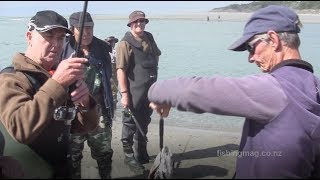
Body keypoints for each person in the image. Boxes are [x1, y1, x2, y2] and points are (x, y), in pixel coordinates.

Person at [147, 5, 320, 179]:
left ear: (273, 40)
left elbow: (196, 90)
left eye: (251, 48)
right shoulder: (315, 86)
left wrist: (157, 91)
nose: (250, 58)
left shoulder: (274, 89)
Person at [0, 10, 99, 178]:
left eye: (61, 38)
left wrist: (85, 104)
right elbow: (20, 129)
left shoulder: (56, 74)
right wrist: (58, 83)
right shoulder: (11, 78)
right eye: (49, 35)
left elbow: (85, 127)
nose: (56, 44)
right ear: (29, 37)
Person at [61, 11, 114, 179]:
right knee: (72, 159)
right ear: (72, 29)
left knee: (104, 155)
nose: (86, 32)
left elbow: (110, 80)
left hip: (99, 114)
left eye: (90, 28)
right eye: (81, 29)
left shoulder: (104, 48)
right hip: (72, 118)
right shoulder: (62, 49)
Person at [116, 10, 161, 174]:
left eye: (142, 21)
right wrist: (124, 94)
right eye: (136, 22)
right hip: (132, 92)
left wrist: (154, 77)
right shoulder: (124, 43)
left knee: (144, 121)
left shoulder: (149, 37)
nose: (139, 24)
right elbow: (120, 70)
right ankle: (129, 157)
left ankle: (141, 153)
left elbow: (156, 56)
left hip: (149, 90)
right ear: (130, 24)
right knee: (129, 125)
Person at [105, 36, 119, 111]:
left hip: (114, 69)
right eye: (111, 42)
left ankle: (113, 105)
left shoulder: (115, 51)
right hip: (109, 68)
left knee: (114, 88)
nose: (112, 43)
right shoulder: (105, 51)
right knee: (111, 87)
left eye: (113, 42)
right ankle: (110, 105)